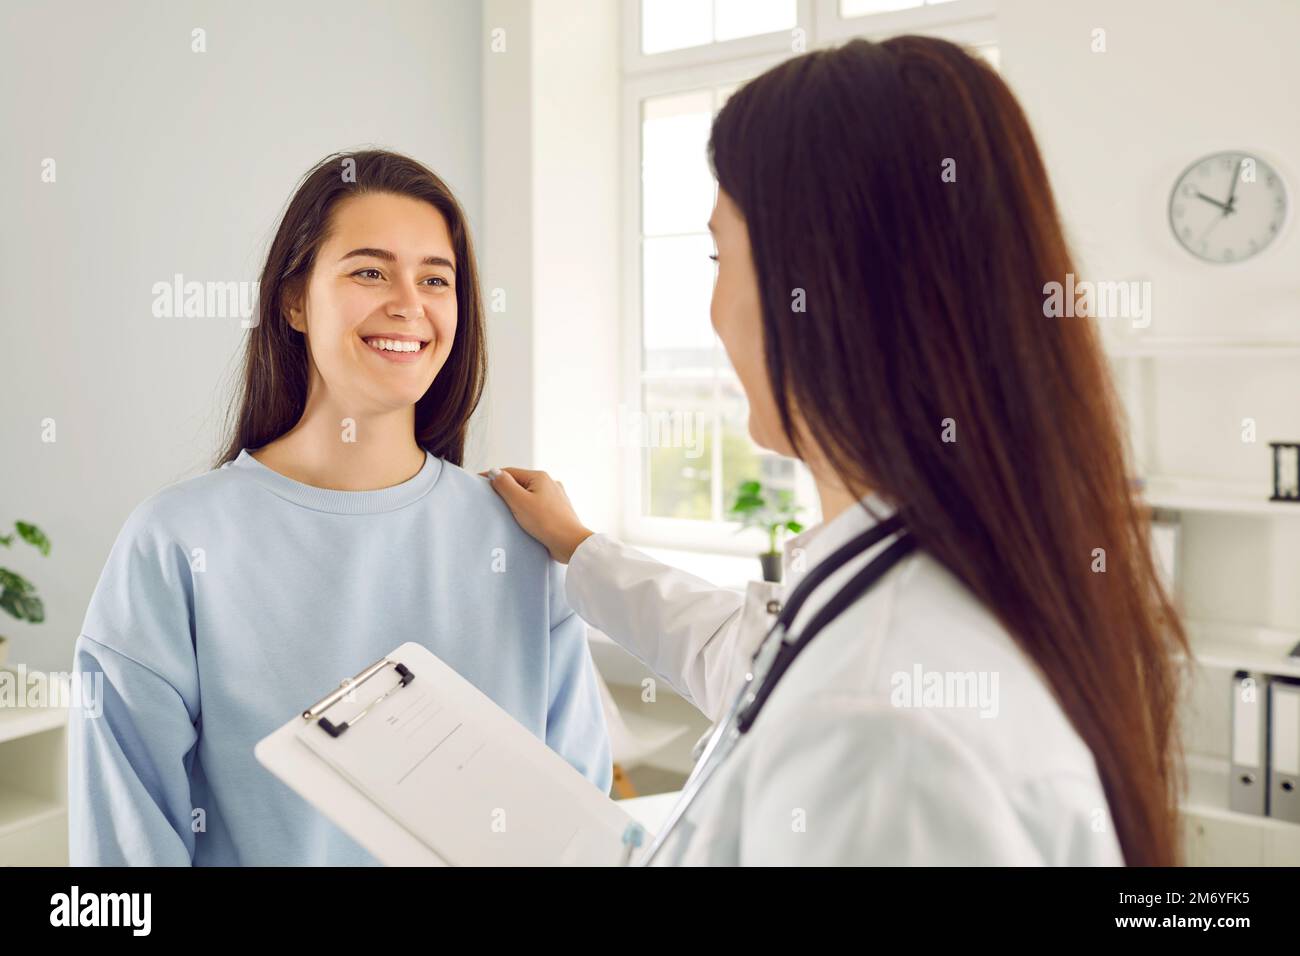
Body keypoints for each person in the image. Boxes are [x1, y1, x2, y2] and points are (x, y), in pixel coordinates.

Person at [487, 36, 1189, 866]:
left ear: (818, 290)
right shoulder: (939, 574)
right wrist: (578, 547)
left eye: (719, 255)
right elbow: (750, 653)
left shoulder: (880, 731)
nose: (711, 308)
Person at [69, 149, 612, 866]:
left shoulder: (519, 540)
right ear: (294, 301)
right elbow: (124, 847)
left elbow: (576, 826)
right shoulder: (175, 542)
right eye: (369, 272)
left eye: (435, 279)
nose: (408, 304)